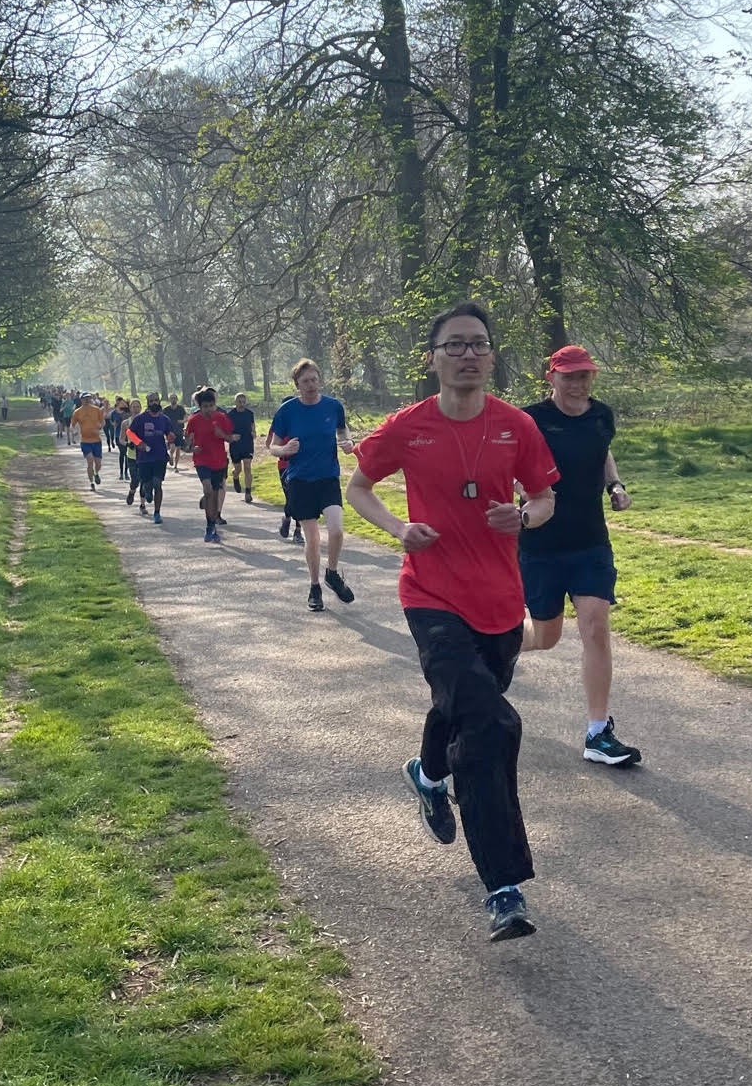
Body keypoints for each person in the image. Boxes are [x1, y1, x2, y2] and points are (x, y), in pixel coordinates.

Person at [346, 301, 559, 943]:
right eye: (454, 345)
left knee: (462, 711)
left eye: (478, 344)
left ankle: (428, 773)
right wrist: (397, 530)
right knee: (491, 723)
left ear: (492, 357)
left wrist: (523, 516)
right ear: (434, 357)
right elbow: (357, 487)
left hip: (499, 602)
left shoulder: (516, 426)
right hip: (431, 596)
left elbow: (546, 497)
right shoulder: (406, 428)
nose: (468, 354)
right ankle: (504, 887)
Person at [519, 345, 641, 767]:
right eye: (568, 376)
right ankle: (501, 644)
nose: (577, 384)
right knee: (545, 637)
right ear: (551, 377)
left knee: (595, 627)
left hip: (591, 542)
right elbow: (512, 465)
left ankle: (597, 732)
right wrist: (522, 495)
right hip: (540, 545)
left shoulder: (601, 414)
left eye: (584, 375)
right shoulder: (530, 419)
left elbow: (602, 452)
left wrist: (616, 486)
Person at [267, 359, 356, 612]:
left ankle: (332, 573)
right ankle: (315, 586)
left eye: (314, 379)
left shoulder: (333, 406)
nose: (311, 385)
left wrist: (347, 441)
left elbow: (342, 430)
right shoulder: (287, 411)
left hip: (328, 476)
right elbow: (272, 446)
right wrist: (284, 449)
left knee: (337, 530)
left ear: (320, 379)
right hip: (300, 479)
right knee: (313, 538)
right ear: (297, 384)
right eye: (305, 381)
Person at [184, 386, 235, 542]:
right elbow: (187, 444)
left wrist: (223, 435)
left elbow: (231, 438)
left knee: (213, 496)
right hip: (202, 460)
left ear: (215, 405)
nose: (208, 409)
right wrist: (193, 448)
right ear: (199, 407)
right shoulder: (194, 420)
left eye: (211, 406)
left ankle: (211, 525)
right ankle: (209, 525)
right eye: (204, 406)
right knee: (208, 491)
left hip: (218, 461)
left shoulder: (221, 418)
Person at [127, 394, 174, 524]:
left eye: (156, 400)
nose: (154, 403)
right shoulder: (140, 418)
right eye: (151, 401)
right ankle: (147, 493)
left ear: (159, 401)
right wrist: (139, 443)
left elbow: (169, 434)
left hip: (160, 457)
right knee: (147, 484)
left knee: (157, 484)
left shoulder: (164, 419)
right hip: (144, 458)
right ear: (147, 403)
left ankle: (157, 513)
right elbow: (129, 433)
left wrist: (171, 437)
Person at [74, 392, 106, 489]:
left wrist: (100, 426)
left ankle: (96, 473)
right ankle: (92, 483)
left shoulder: (97, 410)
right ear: (81, 400)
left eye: (88, 398)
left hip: (96, 440)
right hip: (85, 441)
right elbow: (73, 424)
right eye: (85, 398)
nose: (87, 400)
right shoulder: (77, 412)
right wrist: (74, 431)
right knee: (90, 461)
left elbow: (103, 422)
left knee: (98, 463)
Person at [228, 393, 257, 500]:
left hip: (247, 443)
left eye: (243, 402)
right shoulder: (230, 414)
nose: (241, 404)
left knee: (248, 467)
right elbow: (226, 430)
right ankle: (235, 476)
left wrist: (254, 432)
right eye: (239, 402)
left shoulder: (250, 414)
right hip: (235, 445)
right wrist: (231, 436)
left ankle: (248, 493)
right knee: (238, 469)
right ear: (235, 402)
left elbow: (252, 426)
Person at [165, 394, 188, 469]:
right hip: (170, 431)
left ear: (177, 399)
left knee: (178, 448)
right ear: (169, 400)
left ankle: (176, 466)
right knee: (172, 447)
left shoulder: (180, 408)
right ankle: (171, 456)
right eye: (172, 398)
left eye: (174, 398)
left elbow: (186, 418)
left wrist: (182, 421)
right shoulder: (166, 409)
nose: (173, 400)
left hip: (179, 431)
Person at [120, 399, 140, 484]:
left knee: (143, 479)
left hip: (143, 455)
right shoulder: (126, 423)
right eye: (134, 407)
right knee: (134, 480)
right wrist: (127, 444)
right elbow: (121, 439)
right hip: (131, 455)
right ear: (130, 408)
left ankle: (143, 497)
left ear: (140, 408)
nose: (136, 409)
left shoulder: (145, 421)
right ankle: (132, 492)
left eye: (137, 407)